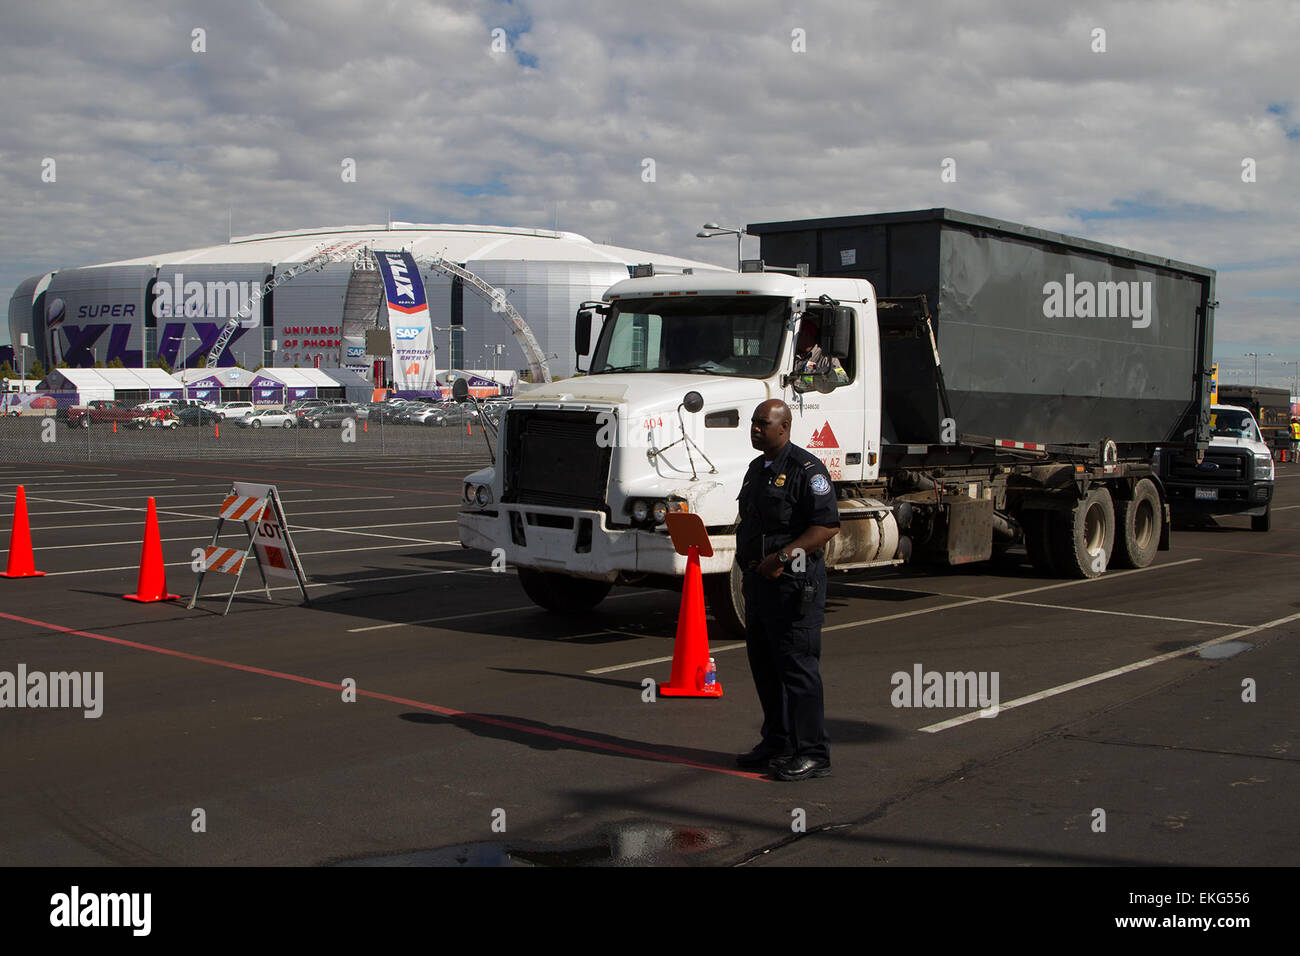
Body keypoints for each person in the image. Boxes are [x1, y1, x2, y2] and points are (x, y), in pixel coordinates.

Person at [735, 399, 840, 780]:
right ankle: (777, 740)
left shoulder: (805, 469)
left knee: (798, 669)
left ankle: (812, 752)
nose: (755, 429)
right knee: (764, 667)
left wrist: (781, 558)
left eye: (763, 424)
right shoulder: (756, 469)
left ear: (785, 427)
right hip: (760, 584)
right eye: (753, 423)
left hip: (794, 583)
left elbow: (826, 525)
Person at [792, 314, 848, 393]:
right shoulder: (792, 356)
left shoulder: (826, 358)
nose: (793, 339)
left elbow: (843, 380)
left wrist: (821, 382)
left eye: (798, 335)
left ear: (808, 335)